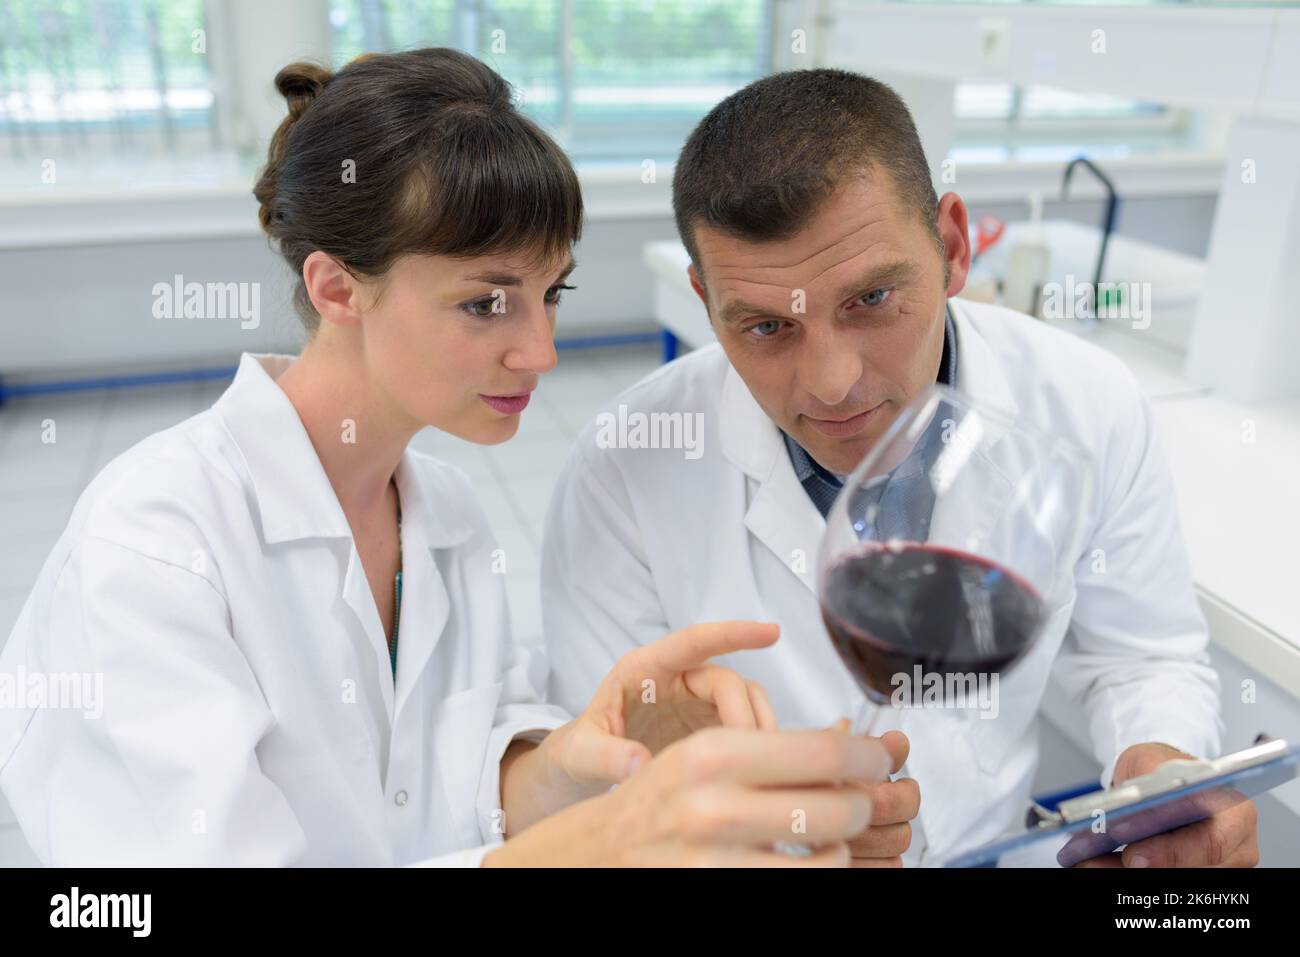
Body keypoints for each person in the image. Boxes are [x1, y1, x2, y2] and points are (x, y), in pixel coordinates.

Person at [0, 50, 891, 868]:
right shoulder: (152, 549)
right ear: (337, 286)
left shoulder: (449, 516)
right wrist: (595, 845)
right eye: (485, 304)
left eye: (551, 294)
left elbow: (459, 809)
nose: (539, 350)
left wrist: (578, 760)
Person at [541, 68, 1259, 868]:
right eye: (766, 326)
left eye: (872, 298)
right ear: (706, 302)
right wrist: (772, 833)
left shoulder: (1087, 402)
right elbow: (607, 776)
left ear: (951, 247)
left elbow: (1141, 654)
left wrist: (1157, 764)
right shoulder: (621, 469)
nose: (832, 383)